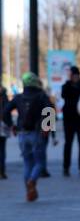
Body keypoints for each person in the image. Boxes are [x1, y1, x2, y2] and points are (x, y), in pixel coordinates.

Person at [4, 72, 56, 201]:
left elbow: (5, 112)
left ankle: (29, 192)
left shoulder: (18, 97)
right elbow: (50, 110)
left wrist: (12, 125)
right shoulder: (41, 96)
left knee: (27, 163)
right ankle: (32, 181)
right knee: (40, 163)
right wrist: (46, 127)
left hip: (22, 134)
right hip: (37, 133)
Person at [60, 66, 80, 176]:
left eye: (77, 76)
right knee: (68, 143)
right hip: (68, 119)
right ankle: (66, 167)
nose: (75, 78)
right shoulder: (66, 86)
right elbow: (64, 95)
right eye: (74, 76)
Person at [0, 84, 10, 180]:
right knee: (2, 149)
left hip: (3, 126)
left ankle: (2, 171)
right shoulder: (4, 96)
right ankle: (2, 171)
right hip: (3, 126)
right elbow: (8, 111)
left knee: (2, 149)